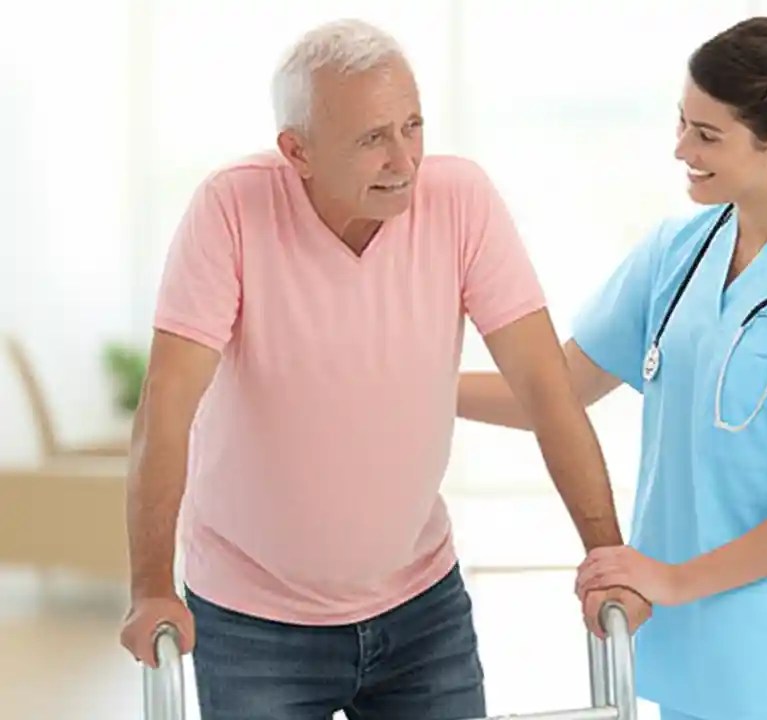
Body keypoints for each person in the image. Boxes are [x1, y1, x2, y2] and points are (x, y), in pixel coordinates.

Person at [118, 18, 649, 720]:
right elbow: (166, 408)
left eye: (413, 126)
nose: (404, 160)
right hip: (254, 619)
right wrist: (152, 587)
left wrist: (606, 556)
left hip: (421, 608)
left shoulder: (460, 201)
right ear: (297, 151)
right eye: (373, 139)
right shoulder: (232, 209)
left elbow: (546, 391)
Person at [458, 16, 767, 720]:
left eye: (707, 135)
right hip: (698, 659)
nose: (680, 149)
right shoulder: (678, 252)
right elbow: (556, 390)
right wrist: (410, 389)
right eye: (681, 122)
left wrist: (674, 580)